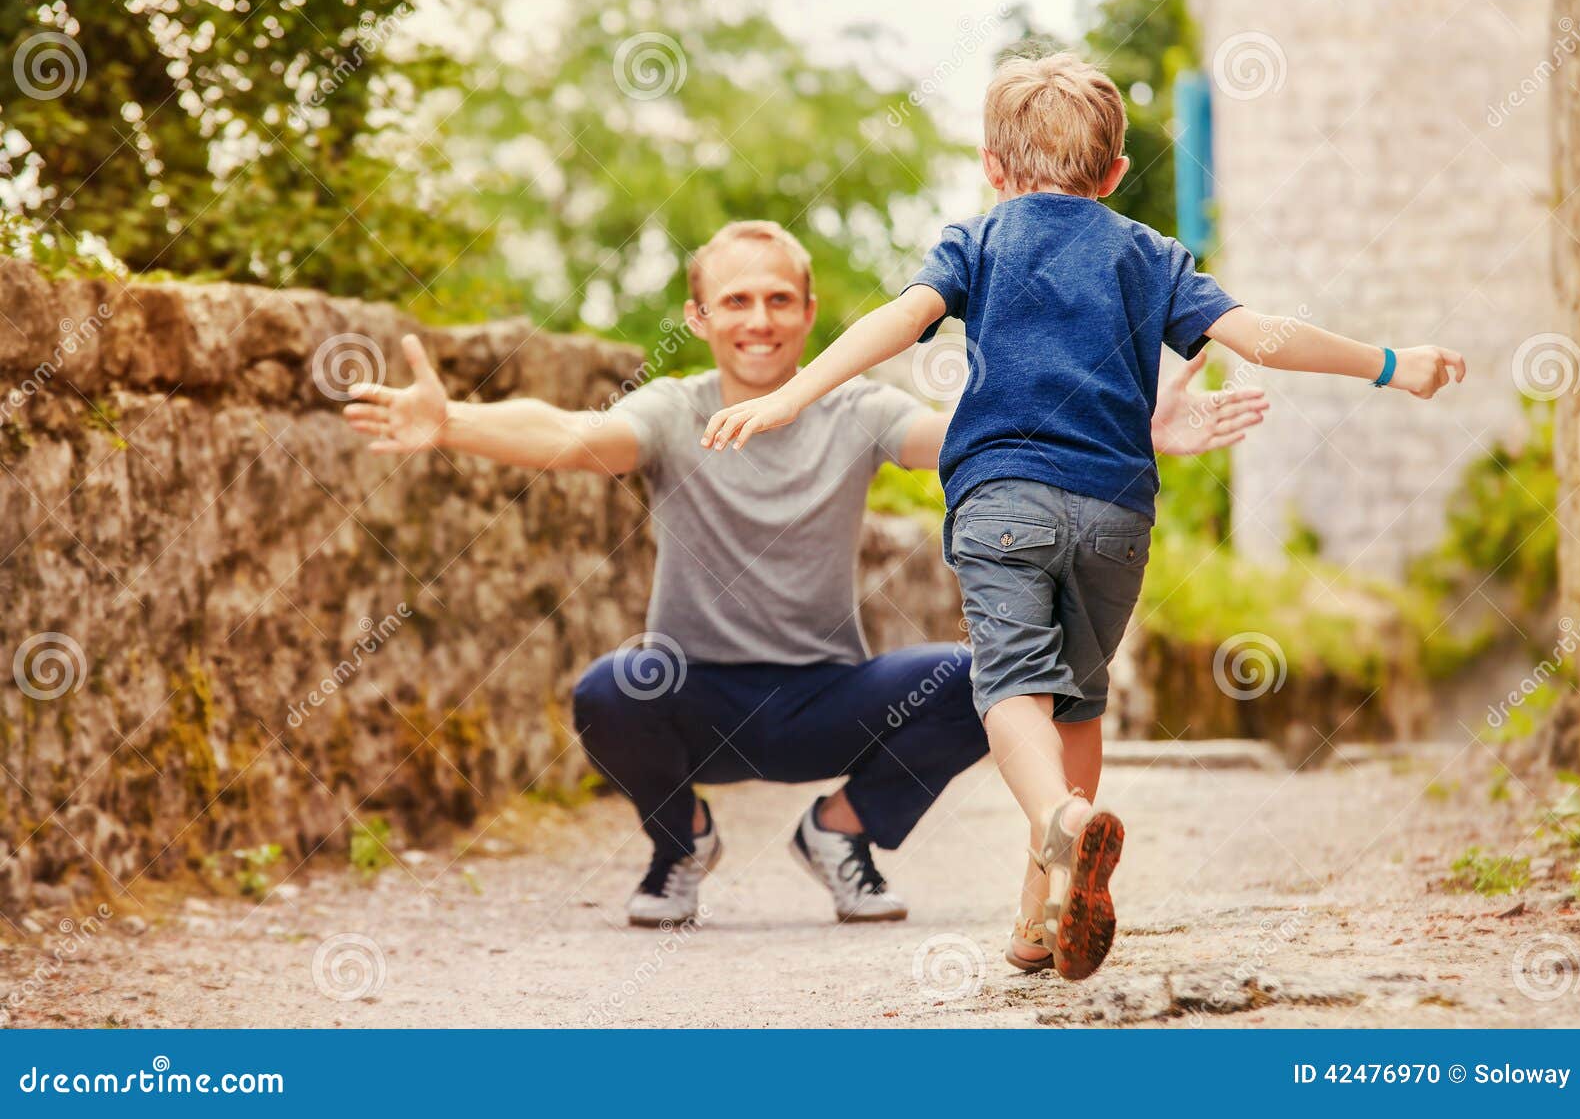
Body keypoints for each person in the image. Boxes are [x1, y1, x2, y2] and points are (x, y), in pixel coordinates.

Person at [701, 53, 1466, 978]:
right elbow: (1263, 336)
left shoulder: (978, 239)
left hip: (1003, 503)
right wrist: (1392, 361)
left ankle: (1064, 824)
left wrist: (795, 396)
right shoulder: (1149, 254)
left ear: (993, 165)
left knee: (1011, 686)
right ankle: (1042, 913)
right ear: (1112, 175)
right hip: (1115, 517)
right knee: (1077, 698)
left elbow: (899, 323)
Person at [343, 218, 1269, 930]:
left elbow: (979, 442)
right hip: (693, 694)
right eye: (737, 302)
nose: (759, 320)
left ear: (809, 314)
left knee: (979, 677)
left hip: (826, 698)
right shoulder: (672, 412)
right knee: (609, 689)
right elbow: (571, 436)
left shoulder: (857, 408)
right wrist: (452, 422)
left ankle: (841, 831)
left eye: (779, 300)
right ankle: (681, 848)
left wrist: (1125, 433)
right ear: (699, 317)